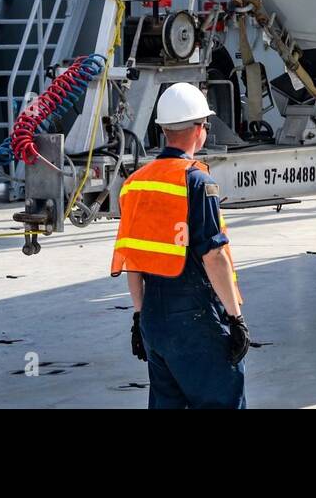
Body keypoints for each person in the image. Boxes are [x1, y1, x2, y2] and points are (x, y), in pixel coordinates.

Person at [110, 82, 250, 409]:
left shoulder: (136, 184)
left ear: (162, 129)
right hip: (197, 320)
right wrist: (236, 318)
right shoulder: (197, 182)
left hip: (155, 322)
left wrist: (139, 315)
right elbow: (214, 256)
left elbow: (134, 258)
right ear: (199, 129)